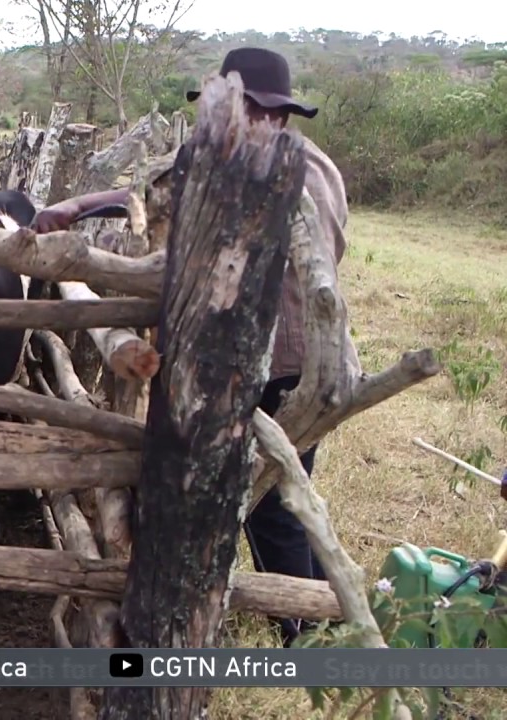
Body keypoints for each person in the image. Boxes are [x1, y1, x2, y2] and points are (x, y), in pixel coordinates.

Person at [33, 47, 350, 648]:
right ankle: (299, 618)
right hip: (314, 359)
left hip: (252, 362)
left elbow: (175, 213)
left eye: (220, 105)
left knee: (252, 497)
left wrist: (76, 211)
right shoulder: (318, 166)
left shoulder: (245, 162)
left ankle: (299, 632)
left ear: (248, 108)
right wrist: (82, 206)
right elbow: (157, 198)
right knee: (284, 487)